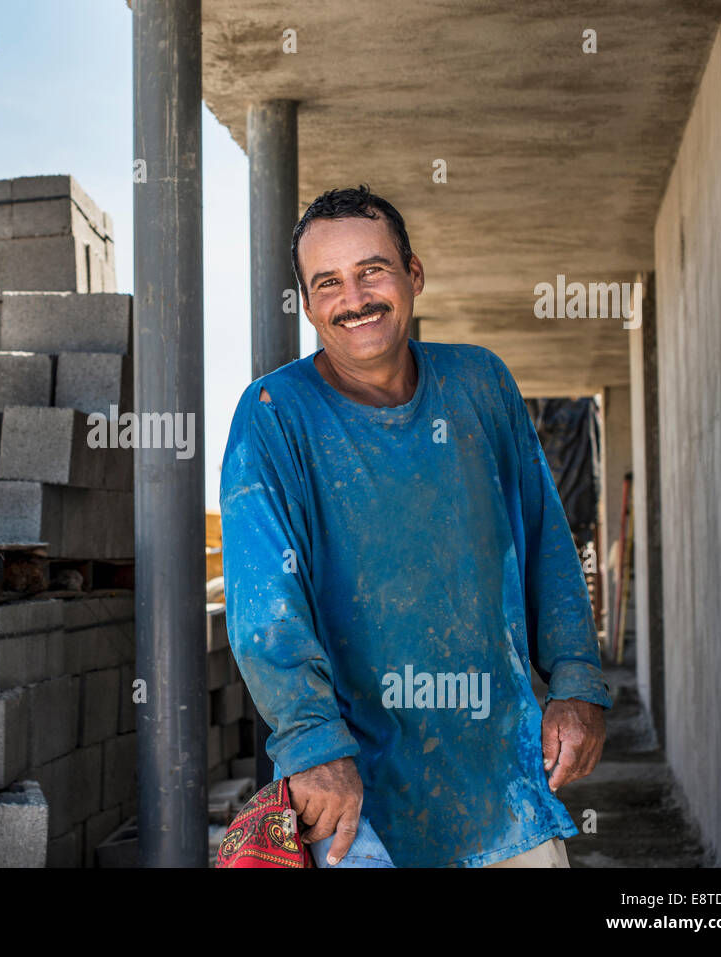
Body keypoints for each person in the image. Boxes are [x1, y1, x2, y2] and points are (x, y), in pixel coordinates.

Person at [219, 186, 611, 868]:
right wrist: (313, 743)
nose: (355, 297)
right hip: (358, 807)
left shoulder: (481, 383)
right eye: (328, 282)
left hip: (505, 792)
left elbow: (547, 541)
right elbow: (263, 608)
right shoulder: (273, 415)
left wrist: (576, 679)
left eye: (373, 270)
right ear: (309, 305)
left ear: (414, 275)